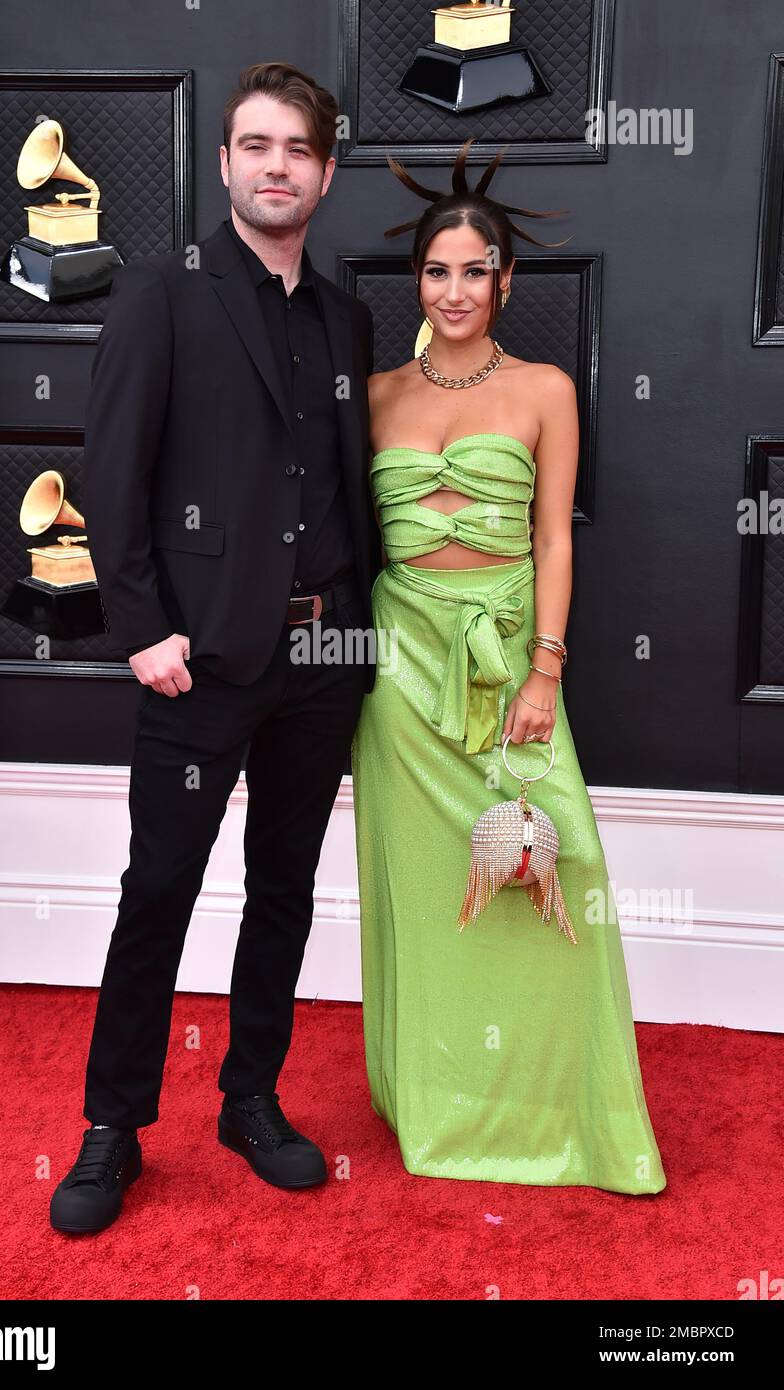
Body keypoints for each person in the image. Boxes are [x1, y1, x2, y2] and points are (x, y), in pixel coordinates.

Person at [50, 62, 381, 1234]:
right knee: (159, 889)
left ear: (325, 172)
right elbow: (112, 473)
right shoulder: (162, 293)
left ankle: (251, 1097)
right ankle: (112, 1126)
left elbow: (343, 489)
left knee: (282, 890)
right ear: (227, 162)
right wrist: (141, 632)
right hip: (196, 662)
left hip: (322, 659)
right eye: (256, 145)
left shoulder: (345, 316)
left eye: (298, 148)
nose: (276, 165)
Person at [350, 140, 667, 1194]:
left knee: (547, 873)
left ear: (505, 280)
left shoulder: (543, 389)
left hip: (508, 668)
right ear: (418, 281)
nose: (453, 290)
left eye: (472, 270)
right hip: (399, 675)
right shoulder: (378, 394)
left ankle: (563, 1116)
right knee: (430, 889)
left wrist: (545, 670)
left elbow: (553, 542)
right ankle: (438, 1101)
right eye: (436, 271)